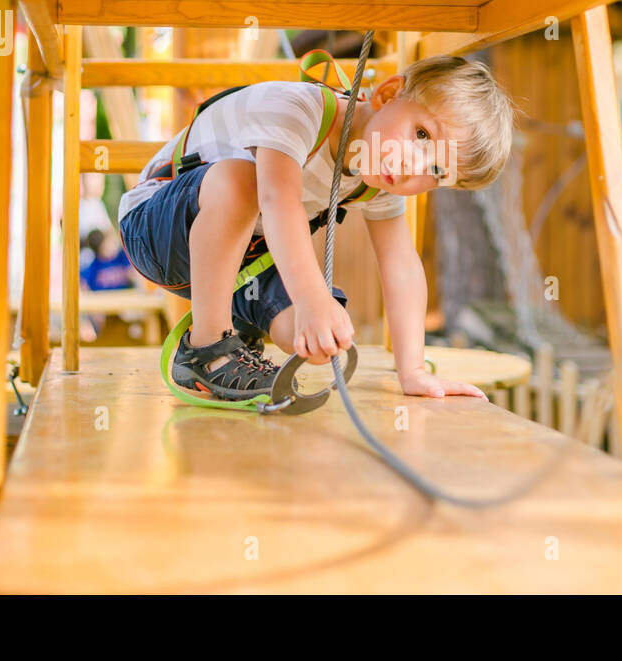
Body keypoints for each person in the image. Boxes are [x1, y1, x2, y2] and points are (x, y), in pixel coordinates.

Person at [117, 54, 515, 401]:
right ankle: (206, 350)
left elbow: (401, 265)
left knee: (323, 339)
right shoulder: (299, 111)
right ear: (388, 95)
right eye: (422, 135)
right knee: (243, 182)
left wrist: (413, 372)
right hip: (158, 229)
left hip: (241, 265)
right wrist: (311, 297)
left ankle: (239, 340)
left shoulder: (377, 183)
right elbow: (278, 199)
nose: (414, 165)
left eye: (436, 170)